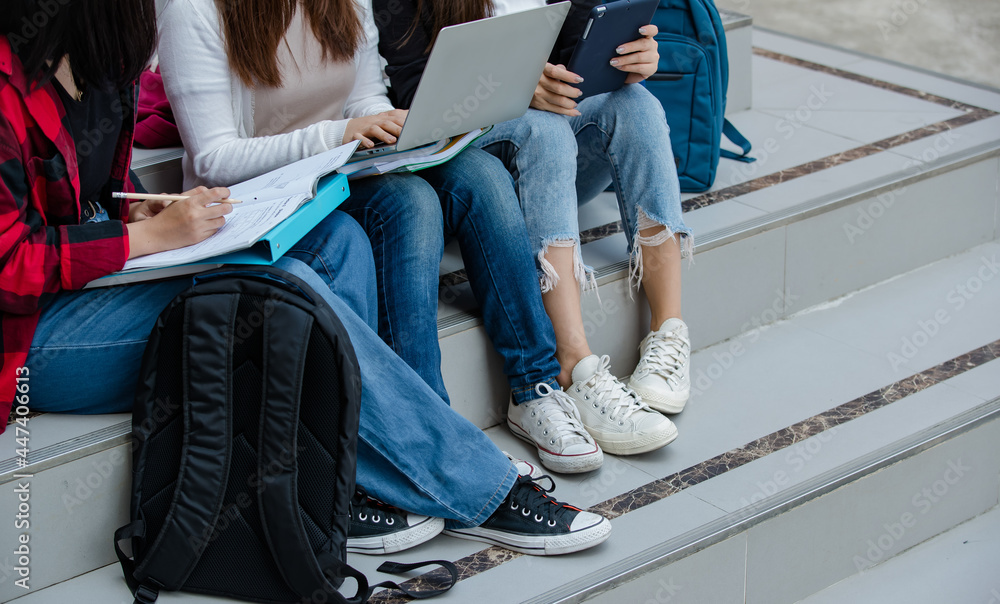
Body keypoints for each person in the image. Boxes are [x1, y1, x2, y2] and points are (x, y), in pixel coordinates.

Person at [0, 0, 610, 557]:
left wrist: (128, 212)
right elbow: (10, 266)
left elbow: (73, 208)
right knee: (279, 293)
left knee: (337, 242)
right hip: (30, 339)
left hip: (91, 285)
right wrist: (140, 238)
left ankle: (332, 474)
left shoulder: (97, 70)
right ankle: (482, 490)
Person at [157, 0, 675, 474]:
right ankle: (434, 430)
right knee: (412, 201)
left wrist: (391, 131)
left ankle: (535, 386)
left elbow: (367, 97)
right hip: (261, 201)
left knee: (480, 176)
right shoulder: (192, 9)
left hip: (342, 170)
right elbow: (213, 159)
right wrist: (339, 134)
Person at [376, 0, 694, 451]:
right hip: (466, 159)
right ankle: (574, 364)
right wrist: (517, 88)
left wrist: (631, 57)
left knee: (636, 104)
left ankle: (669, 331)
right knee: (543, 129)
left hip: (550, 154)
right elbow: (411, 96)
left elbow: (576, 48)